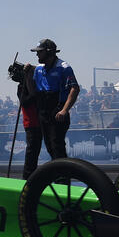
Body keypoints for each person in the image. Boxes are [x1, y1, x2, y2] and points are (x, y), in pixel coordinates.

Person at [23, 38, 80, 178]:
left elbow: (75, 88)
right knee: (49, 146)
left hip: (57, 110)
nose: (37, 55)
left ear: (49, 52)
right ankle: (60, 175)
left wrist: (64, 110)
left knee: (57, 146)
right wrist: (28, 76)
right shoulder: (39, 69)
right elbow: (33, 92)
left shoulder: (64, 67)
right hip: (43, 111)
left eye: (39, 52)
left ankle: (64, 178)